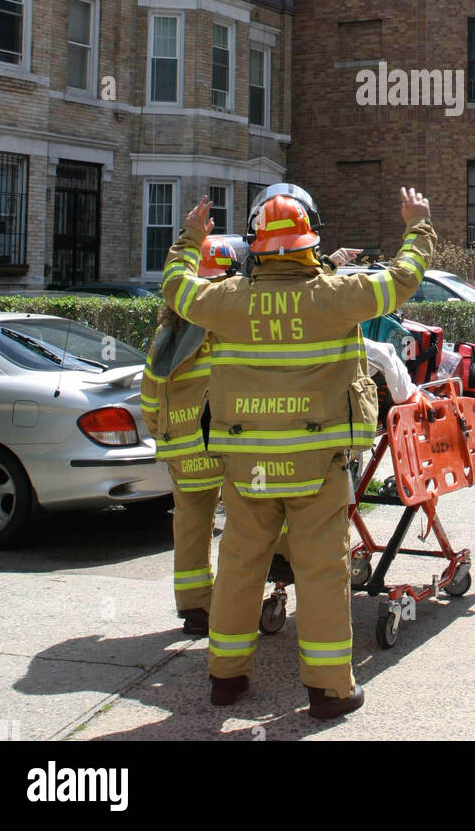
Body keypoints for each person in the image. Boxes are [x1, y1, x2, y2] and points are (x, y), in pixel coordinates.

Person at [161, 184, 436, 716]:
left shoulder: (222, 301)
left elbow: (176, 287)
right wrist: (417, 223)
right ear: (313, 240)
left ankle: (226, 678)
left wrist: (191, 236)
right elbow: (405, 278)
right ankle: (330, 691)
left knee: (240, 566)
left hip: (247, 471)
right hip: (319, 467)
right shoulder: (340, 295)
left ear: (253, 245)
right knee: (321, 573)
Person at [140, 233, 247, 634]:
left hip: (184, 449)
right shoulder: (227, 326)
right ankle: (242, 602)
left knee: (190, 526)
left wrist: (163, 437)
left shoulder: (167, 336)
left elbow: (149, 393)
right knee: (247, 521)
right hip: (227, 444)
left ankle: (195, 610)